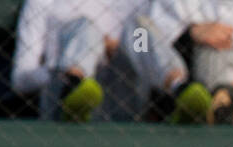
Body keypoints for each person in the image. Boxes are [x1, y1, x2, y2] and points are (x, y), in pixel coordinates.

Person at [11, 0, 148, 121]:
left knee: (139, 31)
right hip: (61, 99)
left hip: (122, 99)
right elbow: (20, 79)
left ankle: (170, 87)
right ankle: (75, 83)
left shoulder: (138, 3)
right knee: (85, 28)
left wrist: (119, 48)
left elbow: (148, 54)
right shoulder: (42, 2)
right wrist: (61, 70)